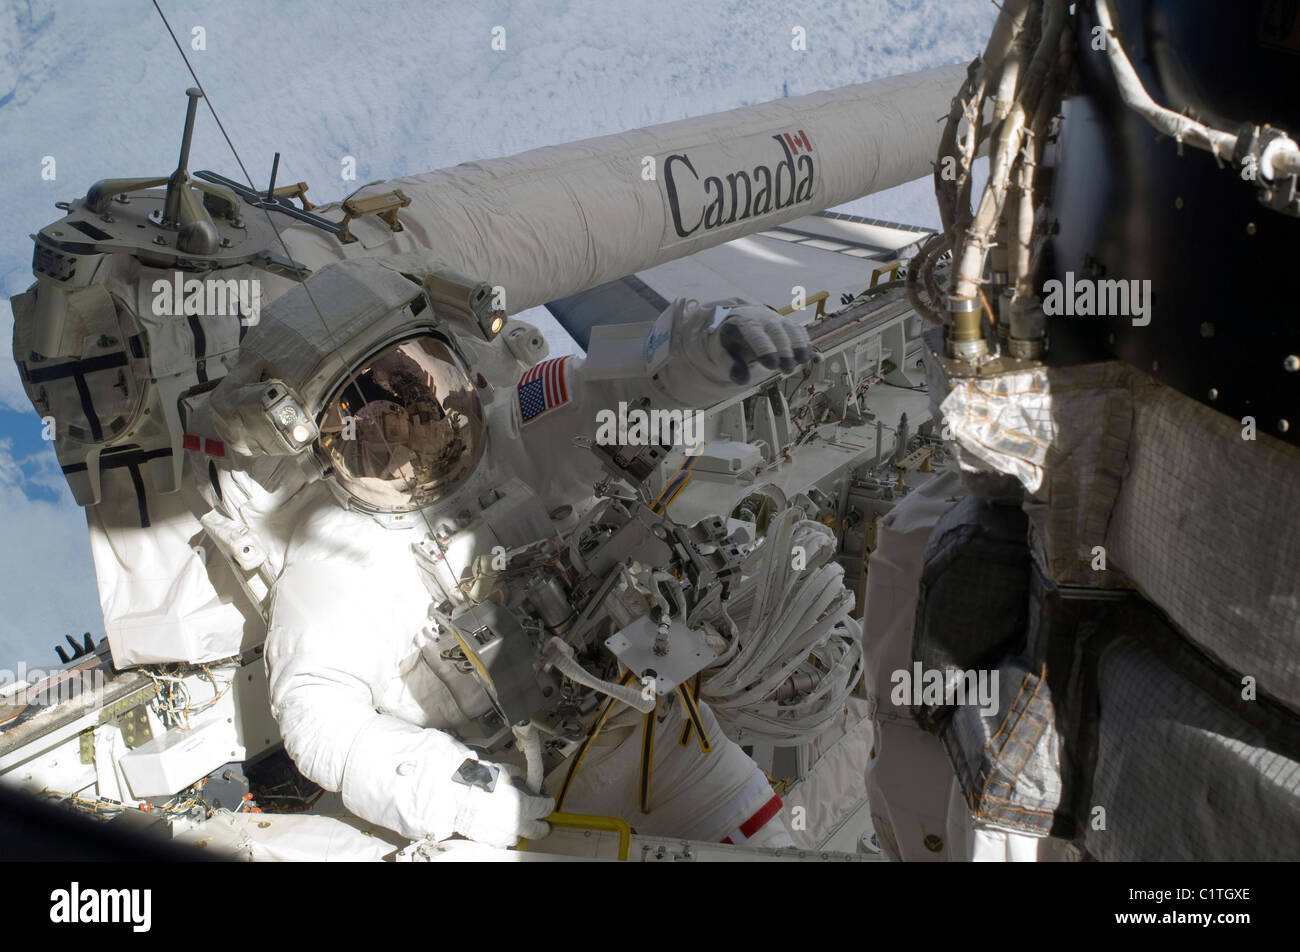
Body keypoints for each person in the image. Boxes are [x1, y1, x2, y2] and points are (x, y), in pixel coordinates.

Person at [210, 256, 815, 849]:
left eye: (417, 381)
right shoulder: (334, 560)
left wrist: (705, 352)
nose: (411, 420)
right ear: (324, 444)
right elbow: (320, 717)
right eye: (373, 412)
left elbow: (619, 394)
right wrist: (459, 794)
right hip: (531, 796)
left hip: (661, 734)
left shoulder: (509, 441)